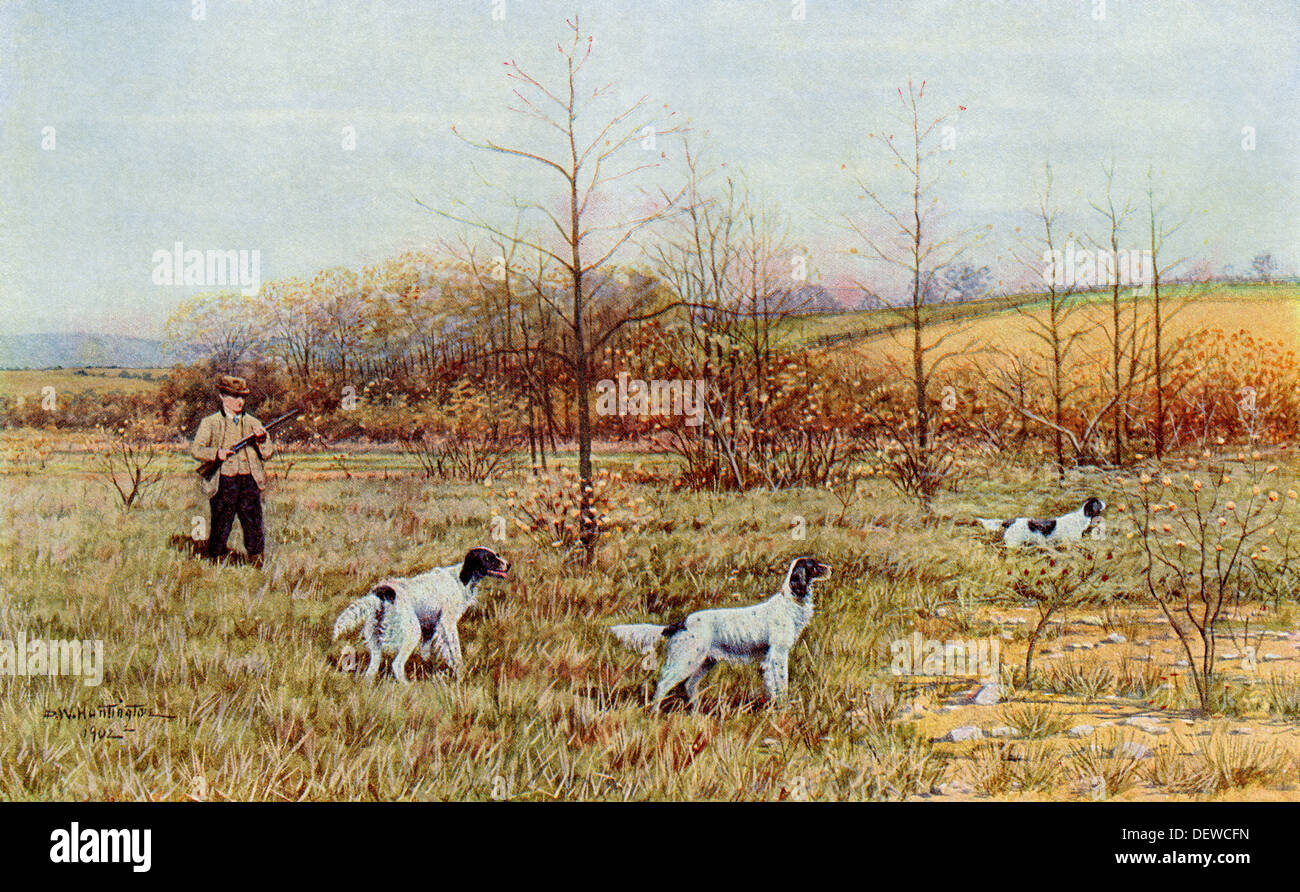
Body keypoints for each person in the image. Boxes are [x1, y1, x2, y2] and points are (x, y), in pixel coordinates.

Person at [190, 375, 274, 565]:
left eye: (242, 397)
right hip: (224, 480)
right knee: (221, 522)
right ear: (222, 397)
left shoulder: (254, 422)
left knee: (253, 523)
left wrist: (261, 439)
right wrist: (216, 453)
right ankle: (217, 560)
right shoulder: (210, 422)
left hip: (249, 481)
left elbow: (268, 453)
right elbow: (196, 450)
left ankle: (256, 562)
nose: (239, 401)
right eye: (234, 396)